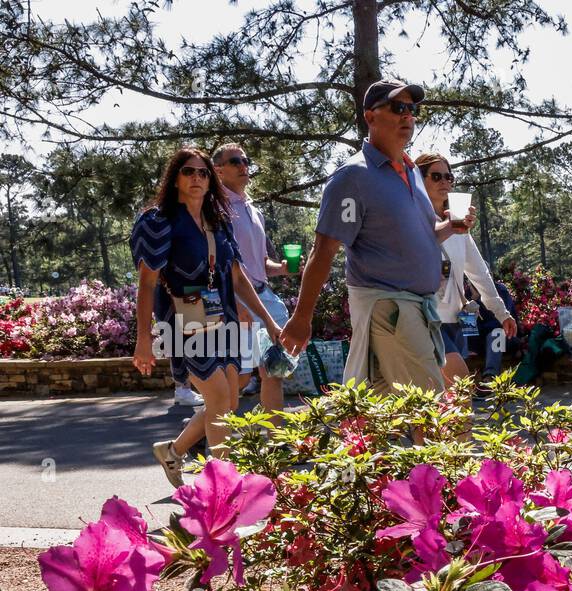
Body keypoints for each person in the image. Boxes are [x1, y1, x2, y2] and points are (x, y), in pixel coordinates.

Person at [279, 80, 472, 408]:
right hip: (392, 307)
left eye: (412, 110)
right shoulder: (353, 177)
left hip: (412, 308)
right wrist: (301, 317)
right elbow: (324, 250)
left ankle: (333, 453)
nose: (407, 116)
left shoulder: (410, 173)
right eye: (398, 108)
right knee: (431, 411)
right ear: (370, 116)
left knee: (373, 416)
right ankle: (439, 462)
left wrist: (449, 228)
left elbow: (421, 238)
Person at [130, 147, 285, 487]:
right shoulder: (158, 222)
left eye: (202, 173)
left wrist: (268, 322)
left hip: (224, 320)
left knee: (228, 401)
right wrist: (144, 338)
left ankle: (174, 451)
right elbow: (147, 283)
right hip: (184, 324)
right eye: (188, 172)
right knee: (217, 398)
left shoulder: (219, 220)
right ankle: (223, 485)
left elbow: (238, 277)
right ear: (175, 179)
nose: (196, 178)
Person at [414, 152, 516, 391]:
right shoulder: (413, 220)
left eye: (449, 177)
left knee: (441, 399)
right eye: (436, 176)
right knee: (460, 390)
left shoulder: (460, 226)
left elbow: (480, 273)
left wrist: (502, 313)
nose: (445, 182)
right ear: (419, 180)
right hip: (424, 318)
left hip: (455, 321)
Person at [212, 142, 294, 419]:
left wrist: (282, 268)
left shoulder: (253, 209)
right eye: (235, 161)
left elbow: (260, 265)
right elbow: (214, 265)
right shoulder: (215, 209)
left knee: (274, 370)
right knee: (239, 380)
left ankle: (277, 441)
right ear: (218, 170)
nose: (243, 166)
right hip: (236, 302)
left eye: (246, 160)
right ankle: (202, 433)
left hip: (265, 299)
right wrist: (234, 306)